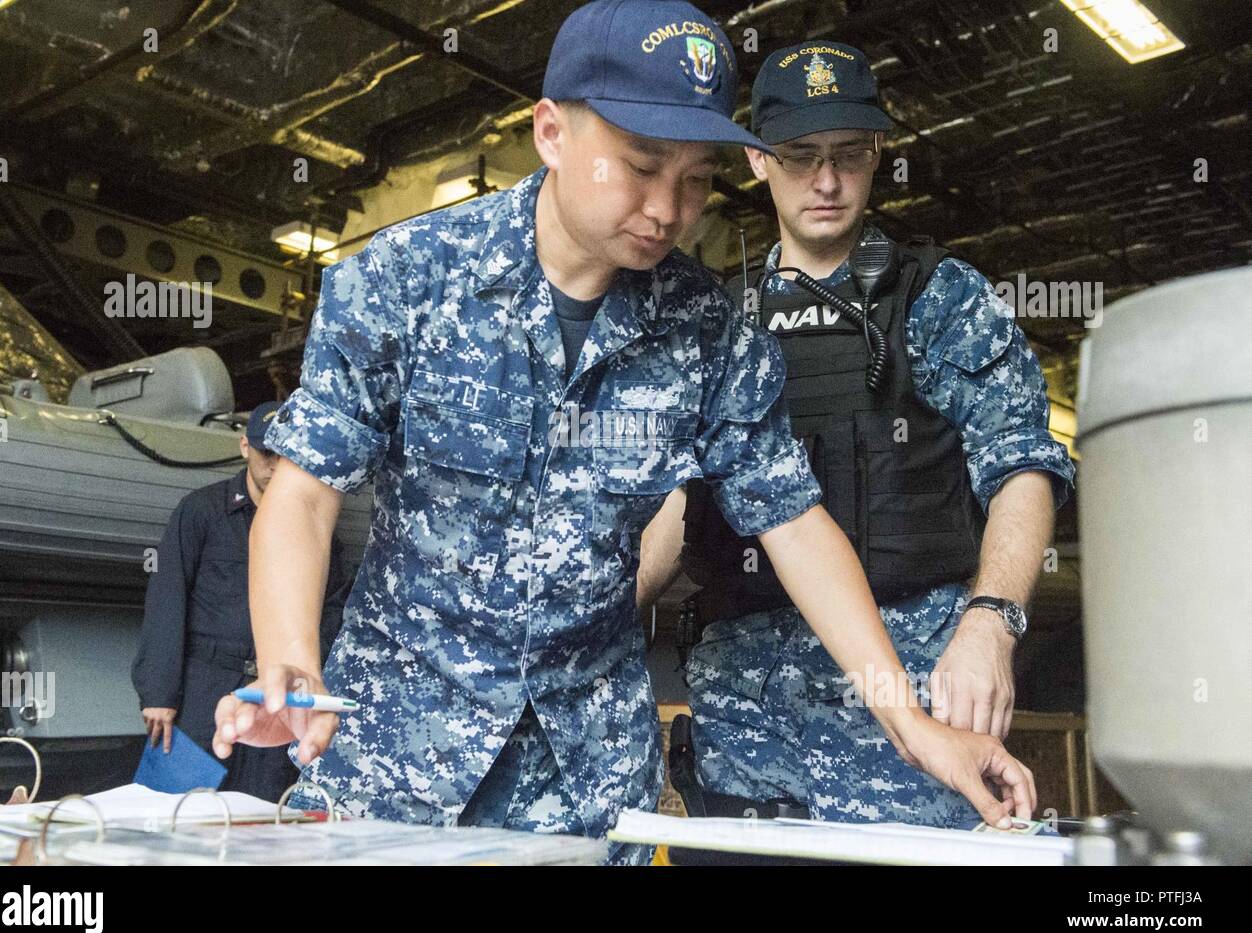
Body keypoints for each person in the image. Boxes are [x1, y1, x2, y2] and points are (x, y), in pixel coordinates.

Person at [213, 0, 1036, 866]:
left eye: (695, 179)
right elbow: (304, 494)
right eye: (640, 167)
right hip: (398, 759)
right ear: (551, 131)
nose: (667, 209)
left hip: (587, 783)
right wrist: (292, 665)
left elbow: (791, 521)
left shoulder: (711, 333)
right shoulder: (404, 279)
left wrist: (909, 721)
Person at [640, 39, 1075, 827]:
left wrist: (993, 622)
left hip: (913, 704)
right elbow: (676, 507)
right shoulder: (717, 324)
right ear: (758, 163)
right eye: (800, 156)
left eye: (851, 154)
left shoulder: (937, 299)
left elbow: (1024, 466)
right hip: (748, 711)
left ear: (880, 157)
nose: (828, 180)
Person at [132, 401, 351, 801]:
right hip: (202, 690)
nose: (275, 465)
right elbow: (167, 597)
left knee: (262, 817)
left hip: (272, 695)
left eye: (287, 455)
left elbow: (330, 613)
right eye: (268, 453)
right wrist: (158, 694)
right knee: (169, 812)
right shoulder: (201, 511)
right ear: (245, 447)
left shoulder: (319, 536)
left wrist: (308, 685)